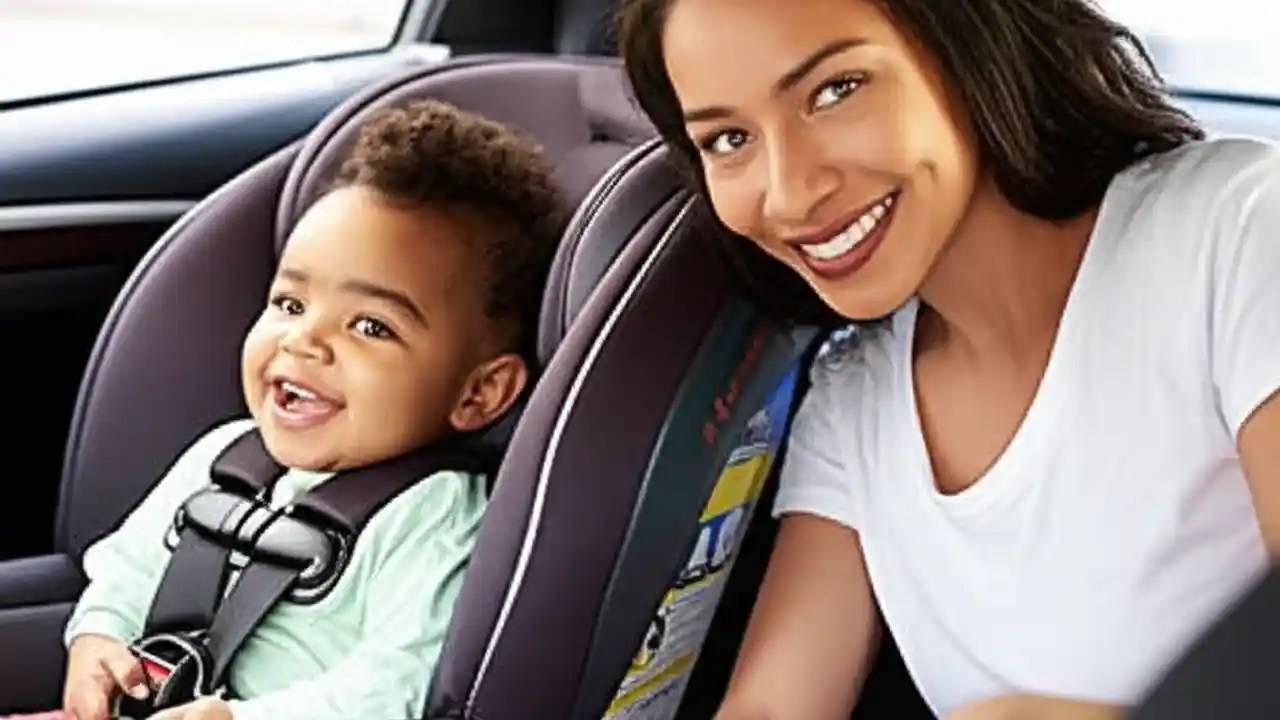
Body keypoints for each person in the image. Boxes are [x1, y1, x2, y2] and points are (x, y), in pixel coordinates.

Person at [617, 0, 1280, 717]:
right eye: (728, 139)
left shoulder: (1238, 229)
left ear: (969, 47)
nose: (789, 192)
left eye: (835, 91)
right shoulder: (852, 403)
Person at [47, 98, 567, 720]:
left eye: (371, 326)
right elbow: (129, 570)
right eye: (290, 304)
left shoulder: (436, 515)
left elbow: (402, 682)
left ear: (478, 393)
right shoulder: (223, 455)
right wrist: (99, 637)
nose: (303, 341)